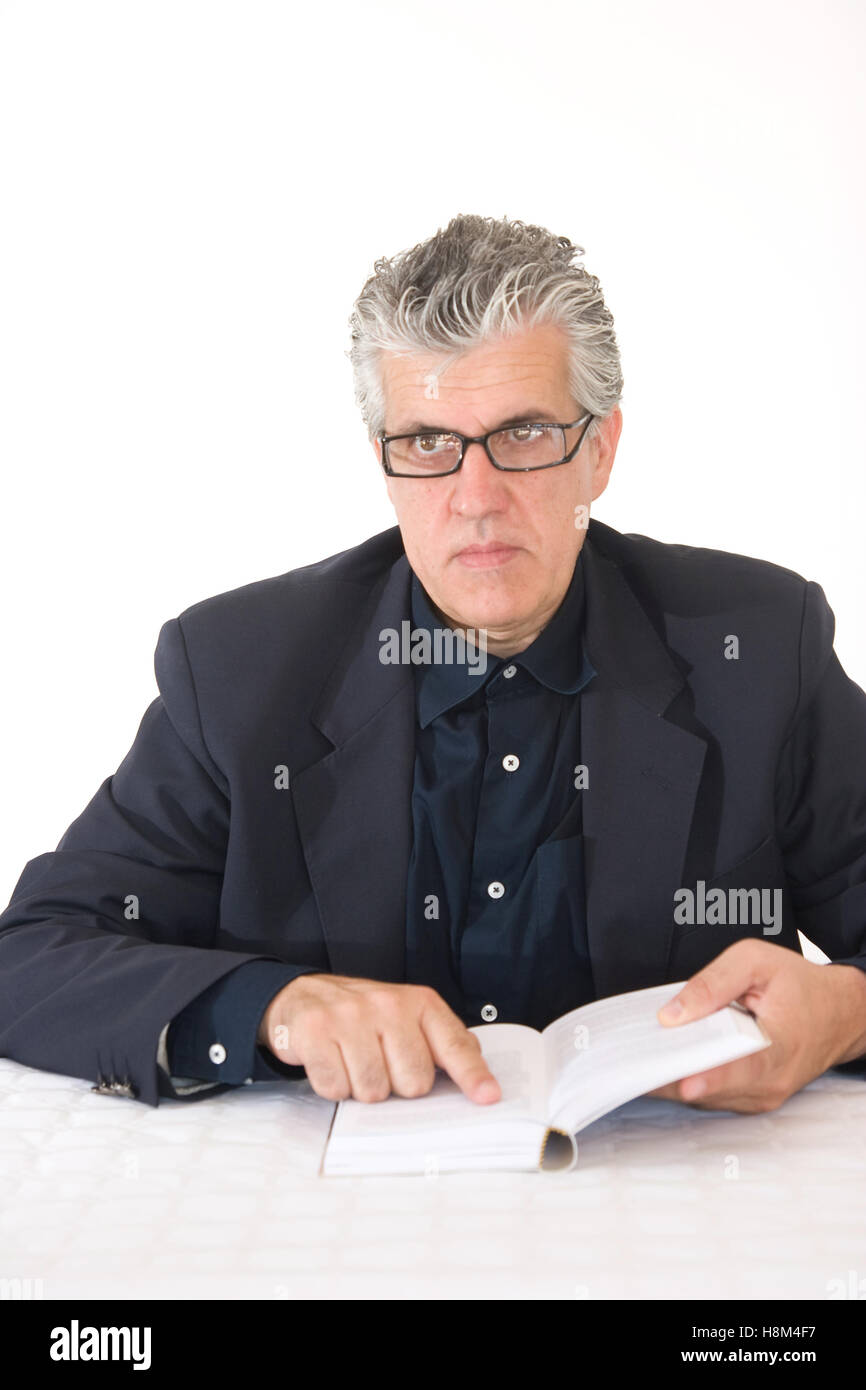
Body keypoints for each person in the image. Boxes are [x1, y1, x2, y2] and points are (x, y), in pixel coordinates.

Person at [2, 213, 865, 1117]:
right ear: (384, 463)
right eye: (427, 443)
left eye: (524, 433)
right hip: (328, 1198)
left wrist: (846, 1010)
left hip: (671, 1187)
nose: (475, 497)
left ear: (601, 450)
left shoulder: (761, 649)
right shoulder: (237, 673)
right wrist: (277, 1010)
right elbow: (31, 953)